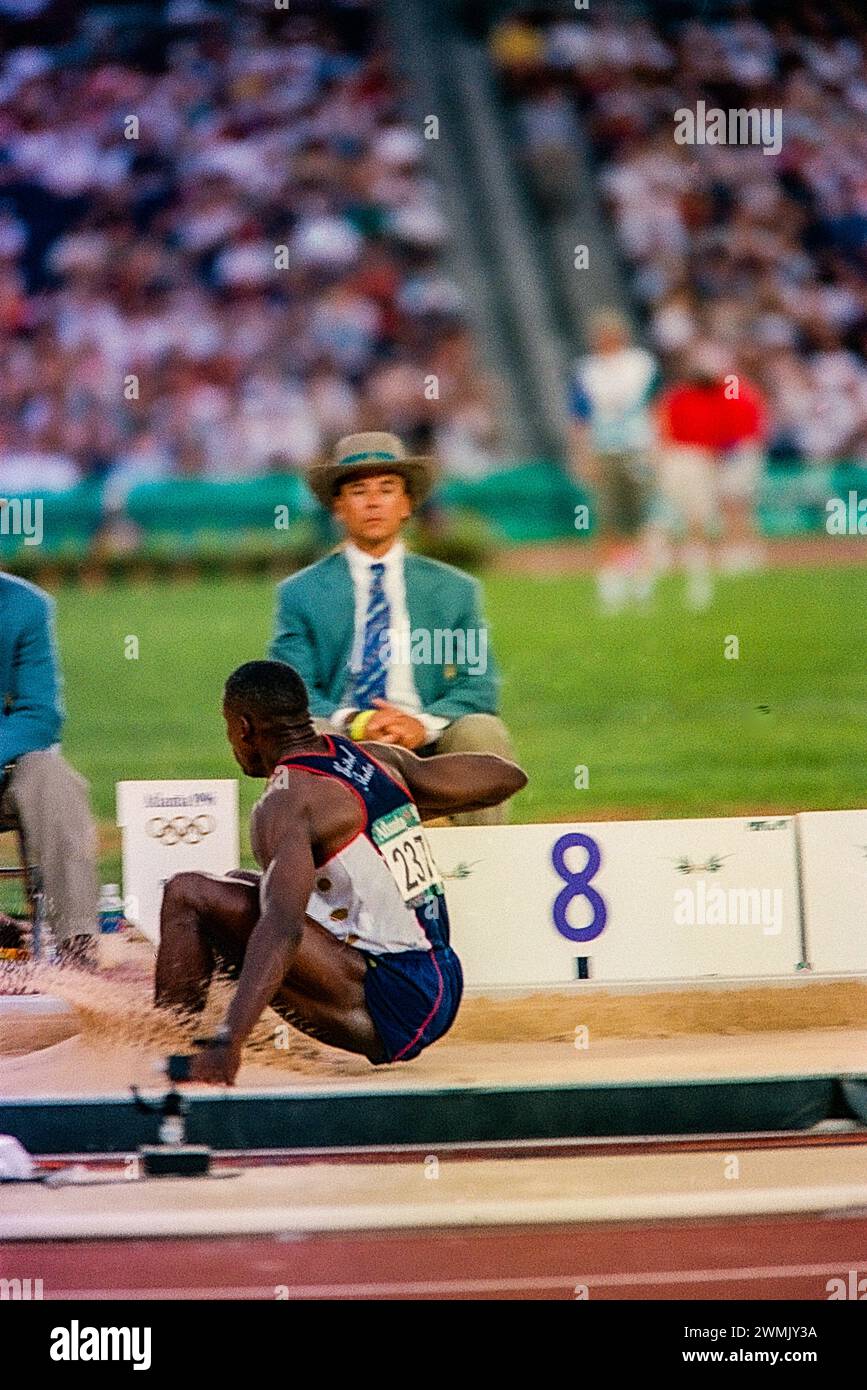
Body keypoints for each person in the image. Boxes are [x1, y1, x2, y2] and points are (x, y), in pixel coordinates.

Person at [154, 660, 527, 1084]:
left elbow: (283, 928)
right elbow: (507, 776)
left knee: (189, 894)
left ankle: (173, 1044)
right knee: (240, 886)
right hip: (440, 979)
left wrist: (230, 1042)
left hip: (394, 1001)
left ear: (243, 728)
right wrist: (392, 807)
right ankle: (212, 1028)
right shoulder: (374, 759)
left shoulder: (287, 803)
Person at [269, 431, 517, 825]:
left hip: (428, 737)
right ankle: (320, 875)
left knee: (482, 731)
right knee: (304, 736)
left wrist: (420, 725)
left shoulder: (455, 590)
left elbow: (479, 685)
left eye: (387, 489)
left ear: (406, 504)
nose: (372, 501)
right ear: (338, 506)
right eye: (357, 490)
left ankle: (482, 866)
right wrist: (359, 721)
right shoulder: (302, 593)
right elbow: (290, 694)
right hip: (344, 738)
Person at [0, 517, 99, 962]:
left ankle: (77, 938)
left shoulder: (26, 606)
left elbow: (40, 715)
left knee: (54, 778)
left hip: (5, 769)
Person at [654, 343, 768, 609]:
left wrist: (725, 450)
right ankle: (729, 552)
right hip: (706, 455)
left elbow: (746, 424)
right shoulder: (685, 394)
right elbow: (670, 425)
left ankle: (744, 551)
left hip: (738, 451)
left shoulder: (733, 390)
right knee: (717, 505)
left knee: (736, 501)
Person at [568, 309, 662, 611]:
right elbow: (580, 419)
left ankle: (640, 578)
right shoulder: (587, 370)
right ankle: (612, 579)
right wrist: (583, 456)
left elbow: (656, 408)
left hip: (637, 447)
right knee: (608, 517)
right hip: (605, 449)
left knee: (641, 517)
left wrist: (657, 448)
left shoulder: (641, 365)